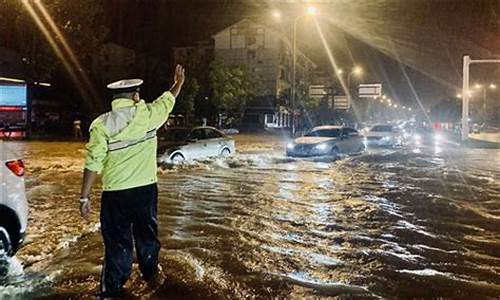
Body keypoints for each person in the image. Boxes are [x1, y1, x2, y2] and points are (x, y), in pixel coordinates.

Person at [79, 65, 185, 298]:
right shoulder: (149, 114)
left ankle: (114, 288)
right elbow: (168, 100)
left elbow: (93, 162)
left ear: (115, 99)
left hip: (115, 194)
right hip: (145, 191)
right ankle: (151, 275)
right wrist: (178, 83)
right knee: (147, 236)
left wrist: (84, 197)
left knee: (117, 243)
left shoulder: (102, 124)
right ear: (136, 95)